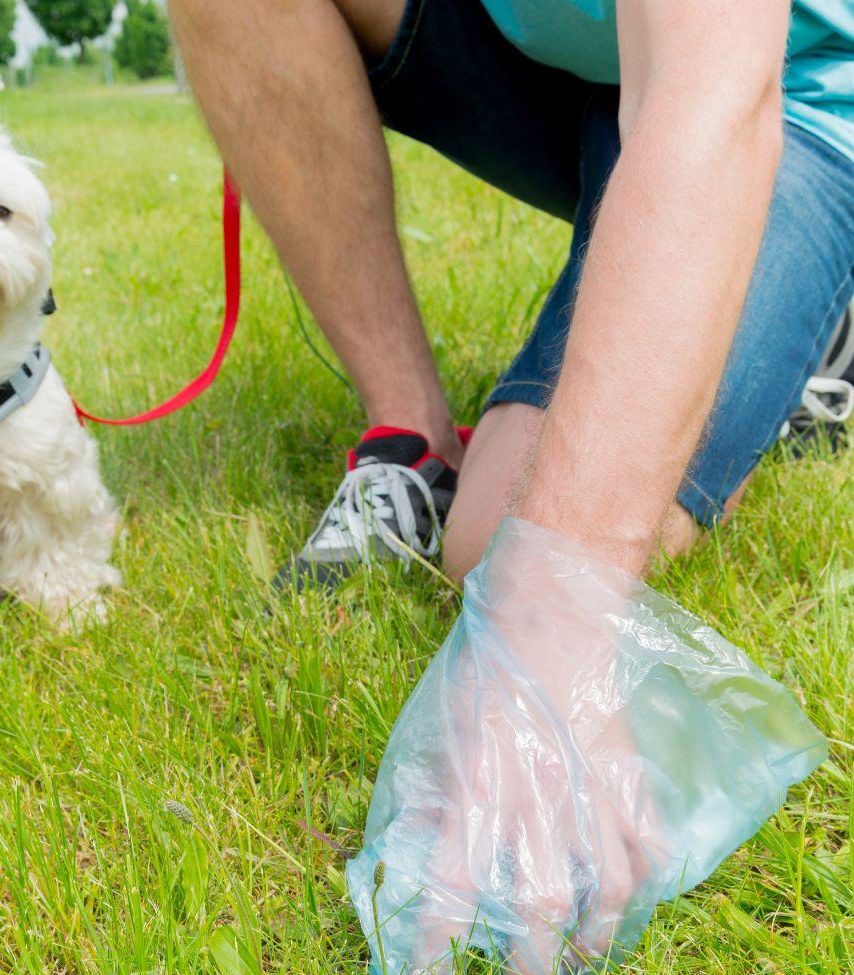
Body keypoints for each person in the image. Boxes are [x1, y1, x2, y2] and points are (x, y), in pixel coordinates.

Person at [169, 0, 854, 587]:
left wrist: (550, 617)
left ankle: (810, 329)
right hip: (563, 64)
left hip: (779, 91)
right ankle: (413, 444)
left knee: (505, 554)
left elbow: (713, 89)